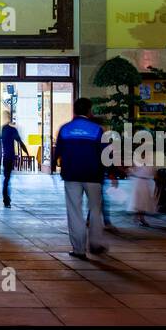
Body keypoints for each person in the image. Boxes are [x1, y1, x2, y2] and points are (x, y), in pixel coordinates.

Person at [54, 98, 107, 259]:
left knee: (74, 211)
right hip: (93, 176)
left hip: (71, 175)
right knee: (96, 210)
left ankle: (79, 249)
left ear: (74, 110)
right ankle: (96, 244)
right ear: (89, 111)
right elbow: (105, 154)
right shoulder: (97, 130)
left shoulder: (65, 129)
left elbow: (58, 153)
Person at [0, 112, 29, 208]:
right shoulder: (12, 130)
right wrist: (26, 153)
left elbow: (1, 144)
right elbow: (20, 142)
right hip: (10, 157)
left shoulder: (3, 129)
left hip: (6, 157)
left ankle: (6, 198)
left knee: (7, 178)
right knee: (7, 178)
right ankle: (6, 199)